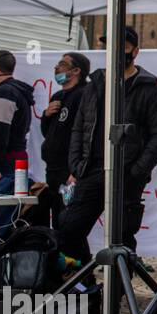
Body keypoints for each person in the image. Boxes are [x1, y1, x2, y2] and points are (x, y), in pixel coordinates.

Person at [59, 27, 157, 266]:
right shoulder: (95, 84)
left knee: (122, 239)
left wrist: (137, 170)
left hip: (127, 174)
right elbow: (79, 127)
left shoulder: (150, 89)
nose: (118, 52)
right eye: (112, 47)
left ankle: (119, 292)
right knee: (69, 228)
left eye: (124, 47)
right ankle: (83, 285)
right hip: (91, 170)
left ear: (135, 51)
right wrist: (77, 164)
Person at [36, 51, 91, 229]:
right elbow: (48, 133)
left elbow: (85, 134)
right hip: (52, 167)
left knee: (67, 218)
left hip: (69, 169)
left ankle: (75, 255)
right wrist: (46, 115)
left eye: (62, 64)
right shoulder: (57, 97)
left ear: (76, 71)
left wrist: (76, 170)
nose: (56, 68)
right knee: (54, 215)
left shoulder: (82, 95)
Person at [0, 50, 35, 241]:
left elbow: (0, 132)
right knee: (4, 215)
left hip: (5, 163)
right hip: (13, 161)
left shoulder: (5, 92)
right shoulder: (15, 91)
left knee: (0, 219)